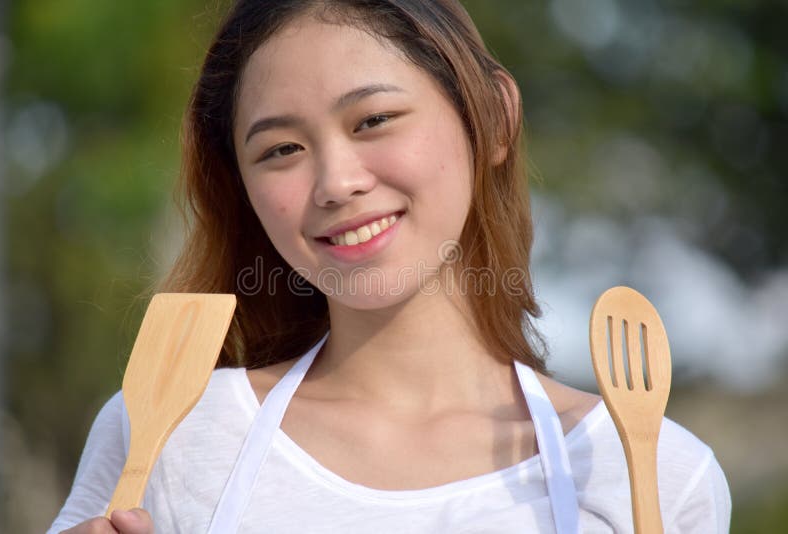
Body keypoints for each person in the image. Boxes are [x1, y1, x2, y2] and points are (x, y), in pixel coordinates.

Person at [48, 1, 731, 532]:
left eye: (372, 120)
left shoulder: (653, 472)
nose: (336, 182)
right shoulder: (170, 437)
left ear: (493, 118)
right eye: (281, 149)